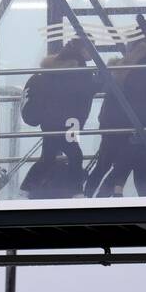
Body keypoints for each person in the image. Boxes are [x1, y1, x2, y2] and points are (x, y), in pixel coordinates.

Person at [85, 15, 146, 197]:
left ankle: (90, 197)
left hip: (119, 125)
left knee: (108, 165)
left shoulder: (122, 69)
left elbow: (109, 98)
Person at [18, 38, 97, 199]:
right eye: (91, 49)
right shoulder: (78, 68)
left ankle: (25, 189)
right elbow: (90, 87)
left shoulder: (55, 68)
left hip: (51, 120)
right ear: (82, 50)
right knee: (75, 155)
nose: (93, 52)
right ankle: (77, 192)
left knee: (48, 156)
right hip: (67, 122)